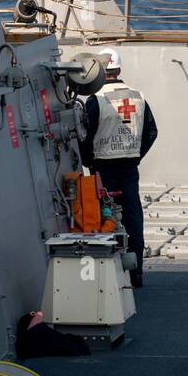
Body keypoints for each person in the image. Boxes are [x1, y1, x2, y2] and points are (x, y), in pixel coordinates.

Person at [79, 48, 157, 287]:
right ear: (120, 69)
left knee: (103, 217)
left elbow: (85, 136)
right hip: (129, 168)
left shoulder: (95, 100)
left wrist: (89, 162)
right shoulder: (138, 97)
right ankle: (137, 274)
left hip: (102, 169)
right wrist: (136, 156)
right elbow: (152, 132)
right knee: (133, 219)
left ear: (100, 71)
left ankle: (104, 276)